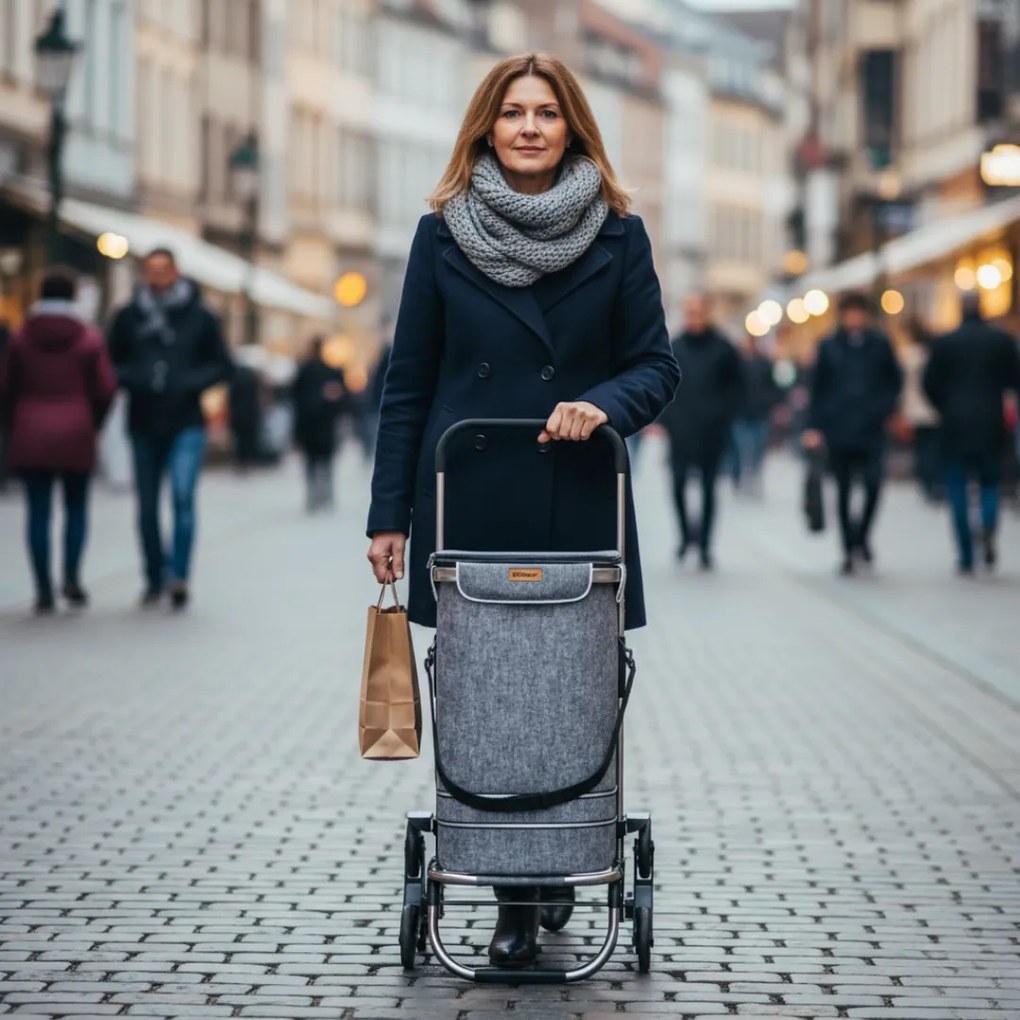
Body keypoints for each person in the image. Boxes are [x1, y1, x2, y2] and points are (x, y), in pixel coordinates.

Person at [364, 53, 679, 969]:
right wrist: (389, 516)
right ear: (487, 129)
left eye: (547, 113)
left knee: (567, 690)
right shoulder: (441, 235)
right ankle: (515, 893)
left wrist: (602, 406)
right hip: (470, 498)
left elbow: (657, 364)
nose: (530, 128)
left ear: (573, 127)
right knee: (485, 695)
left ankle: (555, 865)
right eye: (513, 115)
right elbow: (408, 384)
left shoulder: (619, 234)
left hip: (577, 493)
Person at [107, 248, 233, 609]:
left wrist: (189, 381)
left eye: (164, 269)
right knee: (147, 506)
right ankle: (153, 575)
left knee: (181, 496)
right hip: (143, 419)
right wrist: (135, 378)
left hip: (186, 420)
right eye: (151, 270)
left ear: (176, 271)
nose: (158, 276)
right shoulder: (129, 316)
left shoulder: (199, 317)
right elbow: (111, 360)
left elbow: (223, 364)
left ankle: (178, 575)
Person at [0, 269, 117, 612]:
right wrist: (92, 420)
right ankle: (71, 577)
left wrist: (16, 422)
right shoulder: (89, 338)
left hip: (31, 431)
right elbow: (106, 389)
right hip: (77, 431)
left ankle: (42, 588)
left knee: (38, 512)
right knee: (76, 508)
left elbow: (5, 387)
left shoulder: (22, 337)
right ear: (72, 298)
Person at [803, 291, 903, 575]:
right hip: (839, 429)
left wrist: (883, 408)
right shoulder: (829, 346)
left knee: (873, 485)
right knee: (844, 490)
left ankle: (862, 535)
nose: (855, 318)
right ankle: (848, 548)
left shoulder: (880, 345)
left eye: (859, 312)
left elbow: (893, 381)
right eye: (850, 312)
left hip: (871, 428)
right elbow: (817, 388)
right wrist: (814, 426)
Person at [923, 292, 1020, 573]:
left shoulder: (944, 343)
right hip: (990, 421)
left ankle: (966, 553)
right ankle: (988, 523)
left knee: (958, 490)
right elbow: (1014, 380)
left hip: (954, 424)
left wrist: (945, 406)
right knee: (990, 483)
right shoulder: (1001, 341)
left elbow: (929, 383)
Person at [659, 294, 744, 569]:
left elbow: (738, 386)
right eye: (690, 312)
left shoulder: (723, 347)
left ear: (707, 314)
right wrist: (668, 421)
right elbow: (662, 384)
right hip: (681, 431)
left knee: (709, 488)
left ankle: (705, 545)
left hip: (712, 432)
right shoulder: (675, 347)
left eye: (698, 312)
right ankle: (685, 538)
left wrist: (723, 415)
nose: (693, 317)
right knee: (679, 485)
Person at [292, 336, 347, 511]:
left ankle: (316, 497)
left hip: (312, 424)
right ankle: (323, 497)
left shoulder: (305, 370)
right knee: (324, 462)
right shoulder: (327, 371)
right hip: (322, 424)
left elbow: (296, 400)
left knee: (313, 462)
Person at [899, 318, 941, 502]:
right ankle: (932, 481)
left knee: (923, 447)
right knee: (933, 446)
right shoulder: (931, 353)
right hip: (934, 407)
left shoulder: (908, 355)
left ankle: (926, 481)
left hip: (916, 407)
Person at [734, 332, 781, 496]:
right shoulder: (737, 363)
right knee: (742, 448)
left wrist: (771, 403)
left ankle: (755, 477)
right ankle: (743, 477)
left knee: (758, 447)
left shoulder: (764, 363)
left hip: (760, 413)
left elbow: (773, 386)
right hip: (741, 412)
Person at [228, 361, 264, 471]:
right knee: (249, 438)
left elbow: (231, 399)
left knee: (240, 440)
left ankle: (242, 461)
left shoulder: (235, 381)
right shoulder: (251, 381)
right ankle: (249, 460)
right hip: (249, 414)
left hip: (239, 414)